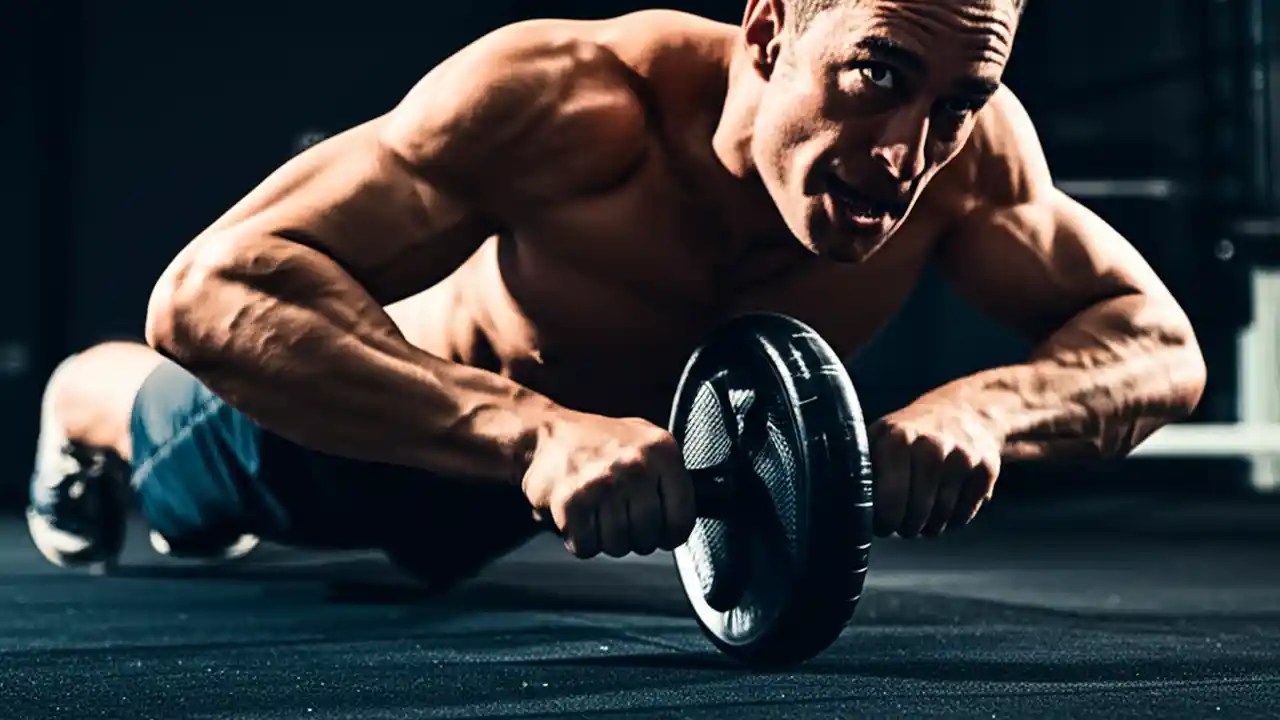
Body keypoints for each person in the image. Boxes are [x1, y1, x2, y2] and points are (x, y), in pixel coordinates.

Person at [28, 0, 1206, 583]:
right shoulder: (574, 101)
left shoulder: (976, 162)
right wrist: (531, 431)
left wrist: (980, 412)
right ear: (763, 35)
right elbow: (210, 291)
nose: (905, 152)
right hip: (365, 434)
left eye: (955, 100)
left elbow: (1155, 346)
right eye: (874, 75)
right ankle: (77, 410)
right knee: (190, 499)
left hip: (557, 500)